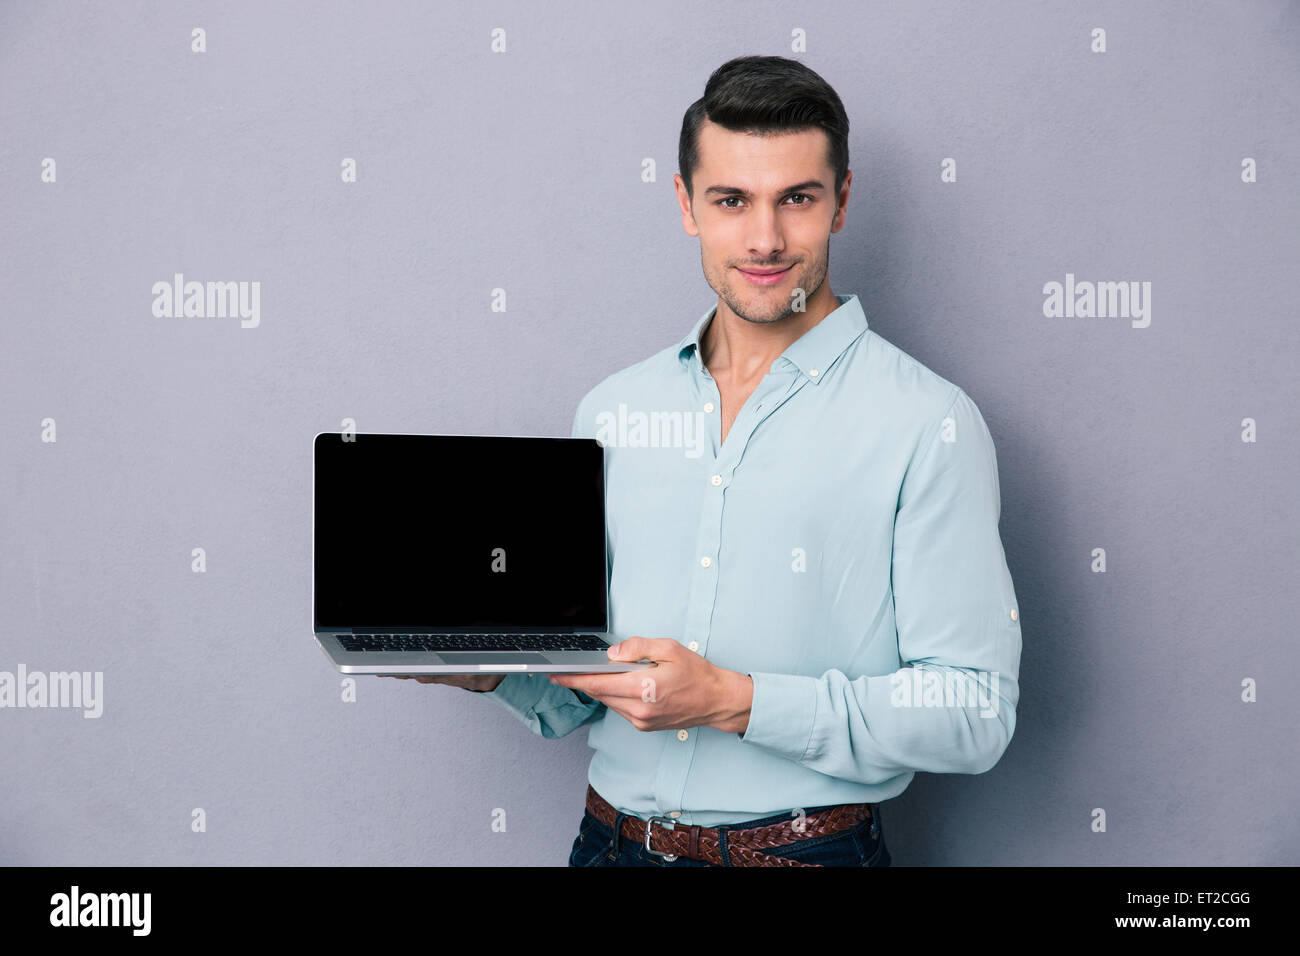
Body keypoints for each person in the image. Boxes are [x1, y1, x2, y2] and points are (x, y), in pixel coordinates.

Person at [394, 54, 1022, 867]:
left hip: (802, 856)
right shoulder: (612, 411)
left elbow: (974, 710)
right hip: (608, 844)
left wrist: (733, 700)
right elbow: (588, 695)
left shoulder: (929, 423)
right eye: (732, 200)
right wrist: (490, 672)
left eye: (796, 198)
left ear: (841, 202)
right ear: (686, 204)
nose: (765, 239)